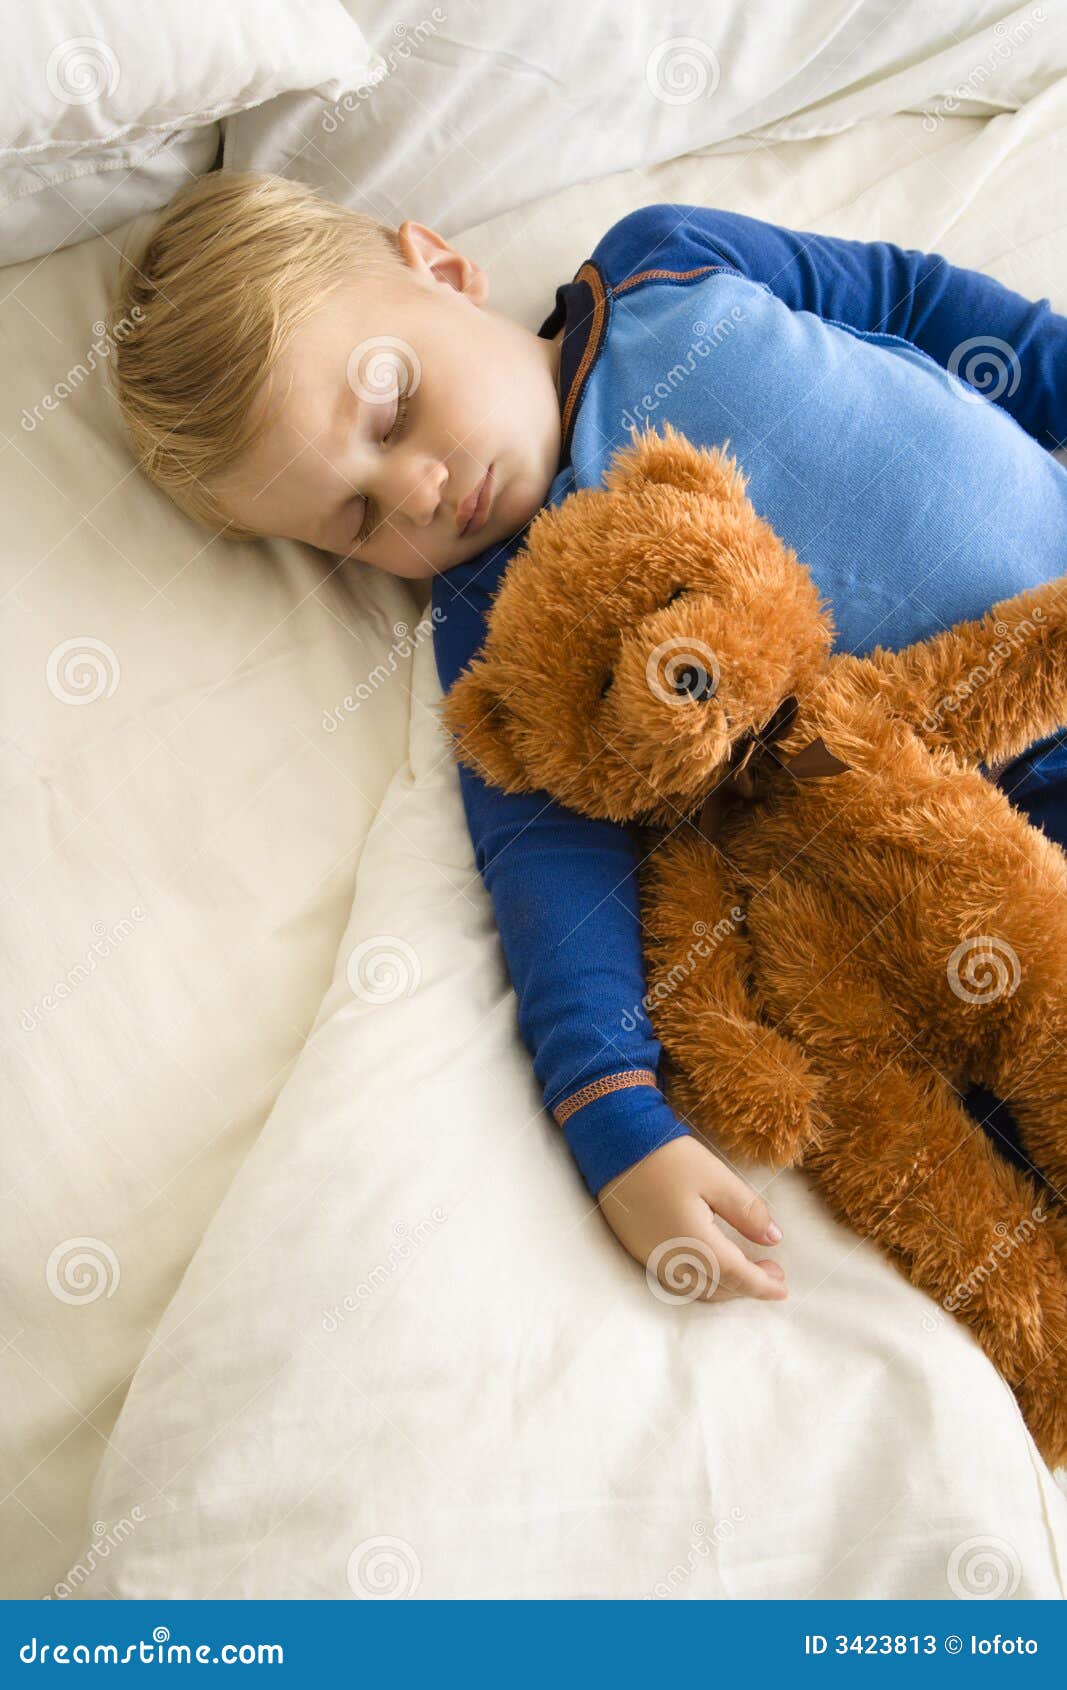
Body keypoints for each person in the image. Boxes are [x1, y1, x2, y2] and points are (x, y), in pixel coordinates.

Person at [109, 171, 1067, 1303]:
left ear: (440, 267)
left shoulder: (666, 263)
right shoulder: (499, 621)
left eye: (392, 409)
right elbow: (547, 862)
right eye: (357, 520)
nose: (415, 493)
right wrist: (611, 1111)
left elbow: (910, 301)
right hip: (973, 831)